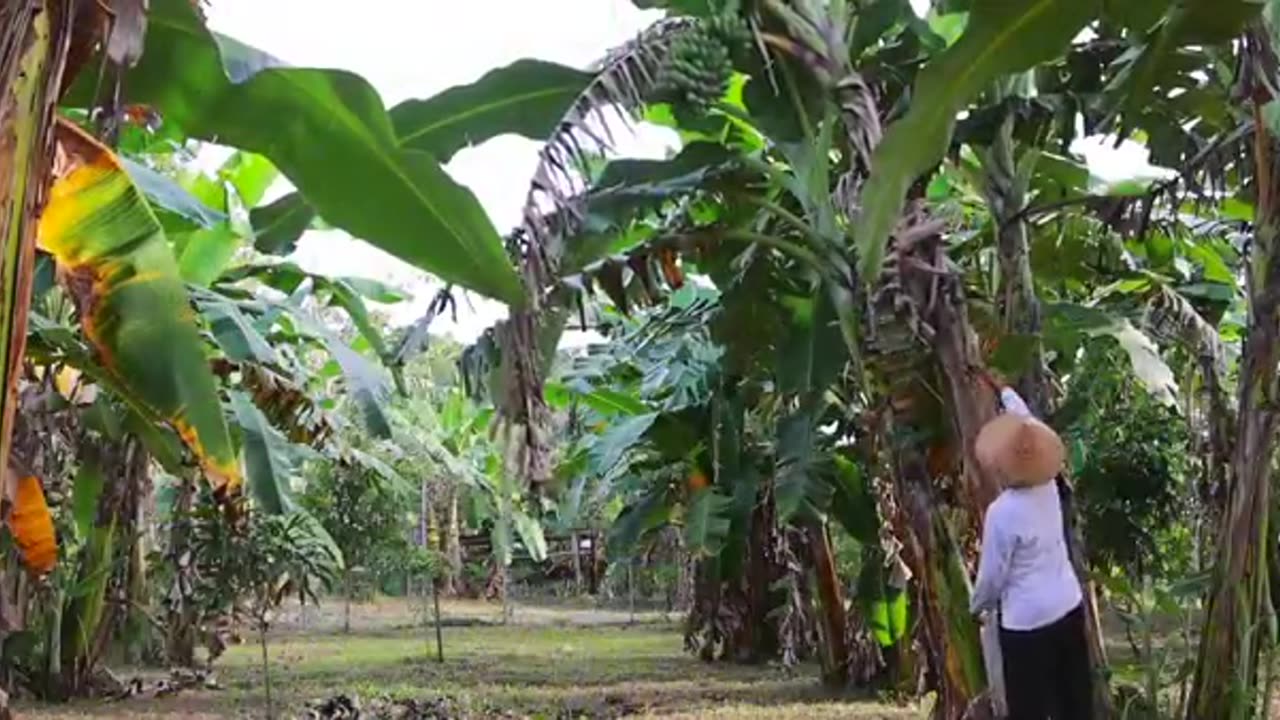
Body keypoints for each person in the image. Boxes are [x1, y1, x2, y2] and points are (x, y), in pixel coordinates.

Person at [970, 370, 1093, 720]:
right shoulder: (1049, 486)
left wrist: (975, 606)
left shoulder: (1002, 512)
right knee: (1075, 703)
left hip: (1027, 624)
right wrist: (1005, 390)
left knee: (1029, 709)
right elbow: (1026, 425)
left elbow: (992, 578)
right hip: (1068, 605)